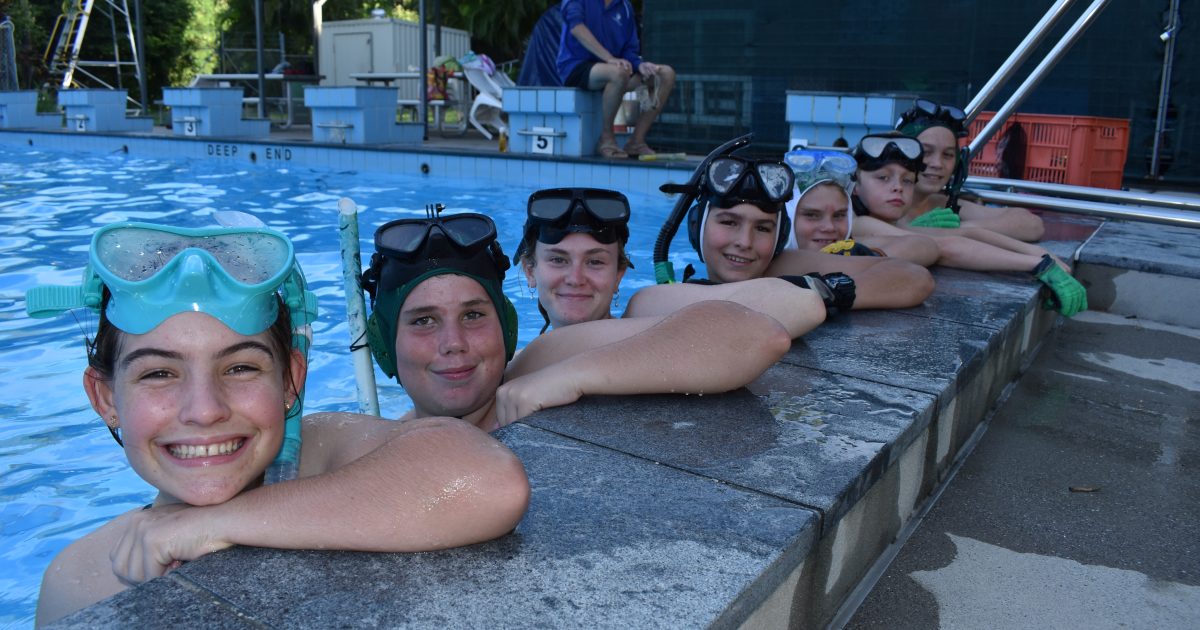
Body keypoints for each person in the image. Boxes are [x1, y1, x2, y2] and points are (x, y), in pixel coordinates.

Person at [26, 222, 530, 626]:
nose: (205, 410)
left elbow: (488, 480)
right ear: (105, 397)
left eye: (240, 367)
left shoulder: (322, 454)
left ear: (290, 380)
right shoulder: (77, 581)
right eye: (160, 373)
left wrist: (208, 524)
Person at [361, 205, 801, 430]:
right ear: (384, 346)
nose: (453, 342)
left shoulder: (540, 365)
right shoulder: (378, 442)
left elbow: (757, 334)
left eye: (474, 314)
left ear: (506, 330)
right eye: (423, 320)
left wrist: (571, 376)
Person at [660, 137, 934, 312]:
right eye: (730, 222)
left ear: (780, 237)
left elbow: (915, 278)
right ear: (697, 227)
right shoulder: (672, 296)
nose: (745, 242)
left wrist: (821, 291)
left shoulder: (784, 267)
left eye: (764, 228)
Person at [512, 187, 829, 337]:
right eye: (558, 260)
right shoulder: (519, 364)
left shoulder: (645, 315)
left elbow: (801, 304)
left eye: (595, 262)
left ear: (619, 273)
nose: (575, 278)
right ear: (529, 271)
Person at [848, 133, 1089, 317]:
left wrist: (1040, 254)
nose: (898, 187)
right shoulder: (858, 223)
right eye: (883, 177)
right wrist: (1037, 265)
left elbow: (967, 233)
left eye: (908, 180)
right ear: (855, 186)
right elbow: (945, 246)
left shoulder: (893, 220)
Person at [896, 99, 1045, 241]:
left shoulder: (942, 205)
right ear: (899, 154)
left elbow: (1033, 225)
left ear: (957, 164)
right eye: (926, 152)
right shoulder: (879, 205)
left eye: (947, 155)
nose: (937, 164)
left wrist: (958, 228)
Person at [556, 0, 676, 159]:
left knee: (665, 74)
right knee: (618, 73)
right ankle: (606, 139)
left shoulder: (625, 6)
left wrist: (639, 65)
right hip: (576, 66)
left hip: (617, 68)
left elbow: (629, 48)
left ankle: (636, 141)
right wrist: (609, 58)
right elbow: (576, 28)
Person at [782, 146, 938, 265]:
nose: (829, 227)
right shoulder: (772, 262)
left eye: (839, 215)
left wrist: (868, 258)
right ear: (787, 218)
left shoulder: (847, 248)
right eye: (812, 215)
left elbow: (924, 246)